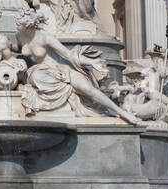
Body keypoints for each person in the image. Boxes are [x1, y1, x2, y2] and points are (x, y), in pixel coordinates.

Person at [15, 11, 143, 125]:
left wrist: (91, 62)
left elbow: (68, 54)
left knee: (88, 89)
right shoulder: (20, 35)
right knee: (36, 77)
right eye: (19, 25)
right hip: (40, 70)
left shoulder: (44, 37)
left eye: (22, 25)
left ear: (30, 25)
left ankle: (121, 112)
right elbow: (17, 48)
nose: (20, 28)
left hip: (61, 68)